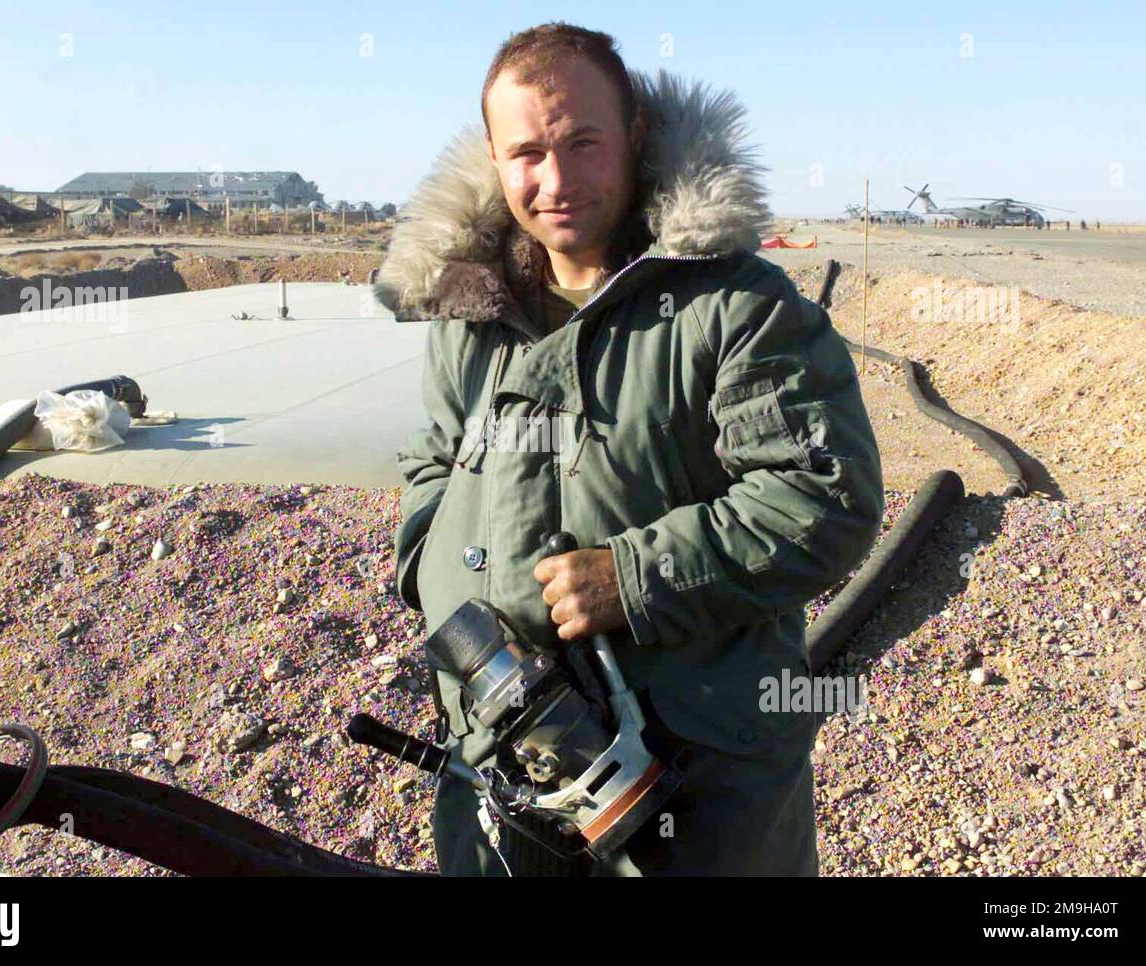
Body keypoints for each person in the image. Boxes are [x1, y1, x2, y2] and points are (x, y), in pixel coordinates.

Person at [374, 22, 884, 876]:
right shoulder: (469, 317)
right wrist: (445, 583)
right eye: (527, 152)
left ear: (635, 137)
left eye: (584, 142)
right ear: (495, 161)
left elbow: (823, 496)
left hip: (696, 795)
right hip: (504, 771)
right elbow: (429, 467)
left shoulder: (734, 307)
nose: (557, 179)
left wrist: (635, 578)